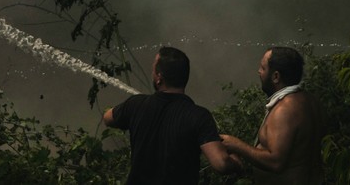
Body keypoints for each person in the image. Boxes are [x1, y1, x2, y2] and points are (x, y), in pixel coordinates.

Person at [104, 46, 237, 184]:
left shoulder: (136, 104)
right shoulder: (199, 116)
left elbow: (107, 118)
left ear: (159, 78)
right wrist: (236, 162)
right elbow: (221, 164)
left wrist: (131, 108)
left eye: (153, 69)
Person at [221, 46, 324, 184]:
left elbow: (276, 162)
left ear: (276, 76)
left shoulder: (286, 109)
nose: (259, 72)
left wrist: (237, 145)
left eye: (263, 68)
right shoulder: (309, 100)